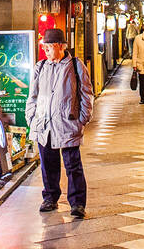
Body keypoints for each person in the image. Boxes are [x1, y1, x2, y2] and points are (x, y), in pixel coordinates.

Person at [25, 27, 94, 218]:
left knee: (73, 165)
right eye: (44, 47)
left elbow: (86, 94)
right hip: (43, 124)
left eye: (49, 47)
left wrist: (82, 118)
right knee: (48, 164)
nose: (45, 50)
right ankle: (50, 198)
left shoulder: (75, 65)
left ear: (60, 46)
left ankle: (77, 203)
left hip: (67, 123)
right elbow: (33, 96)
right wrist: (31, 117)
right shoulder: (40, 67)